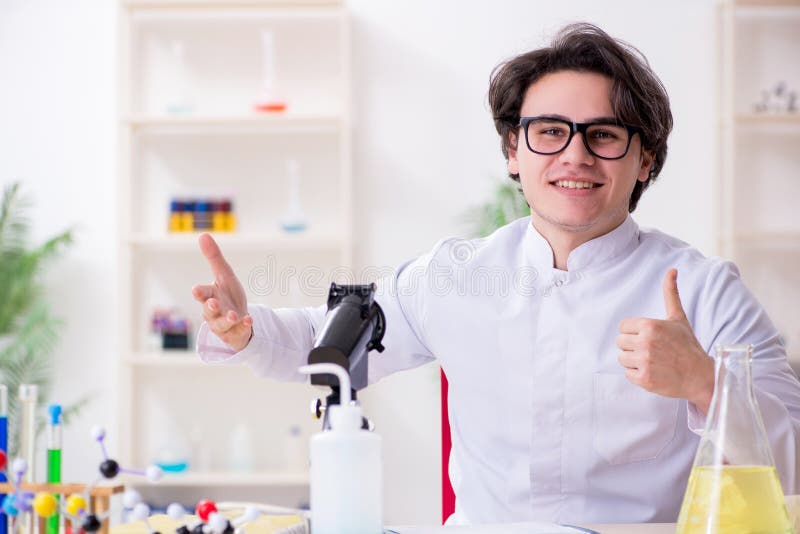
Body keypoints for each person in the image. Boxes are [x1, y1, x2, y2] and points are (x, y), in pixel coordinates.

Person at [191, 23, 800, 525]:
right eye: (550, 132)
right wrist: (244, 330)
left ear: (645, 159)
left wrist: (704, 382)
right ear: (514, 150)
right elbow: (332, 342)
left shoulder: (705, 289)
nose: (575, 155)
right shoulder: (454, 276)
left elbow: (792, 454)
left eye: (605, 135)